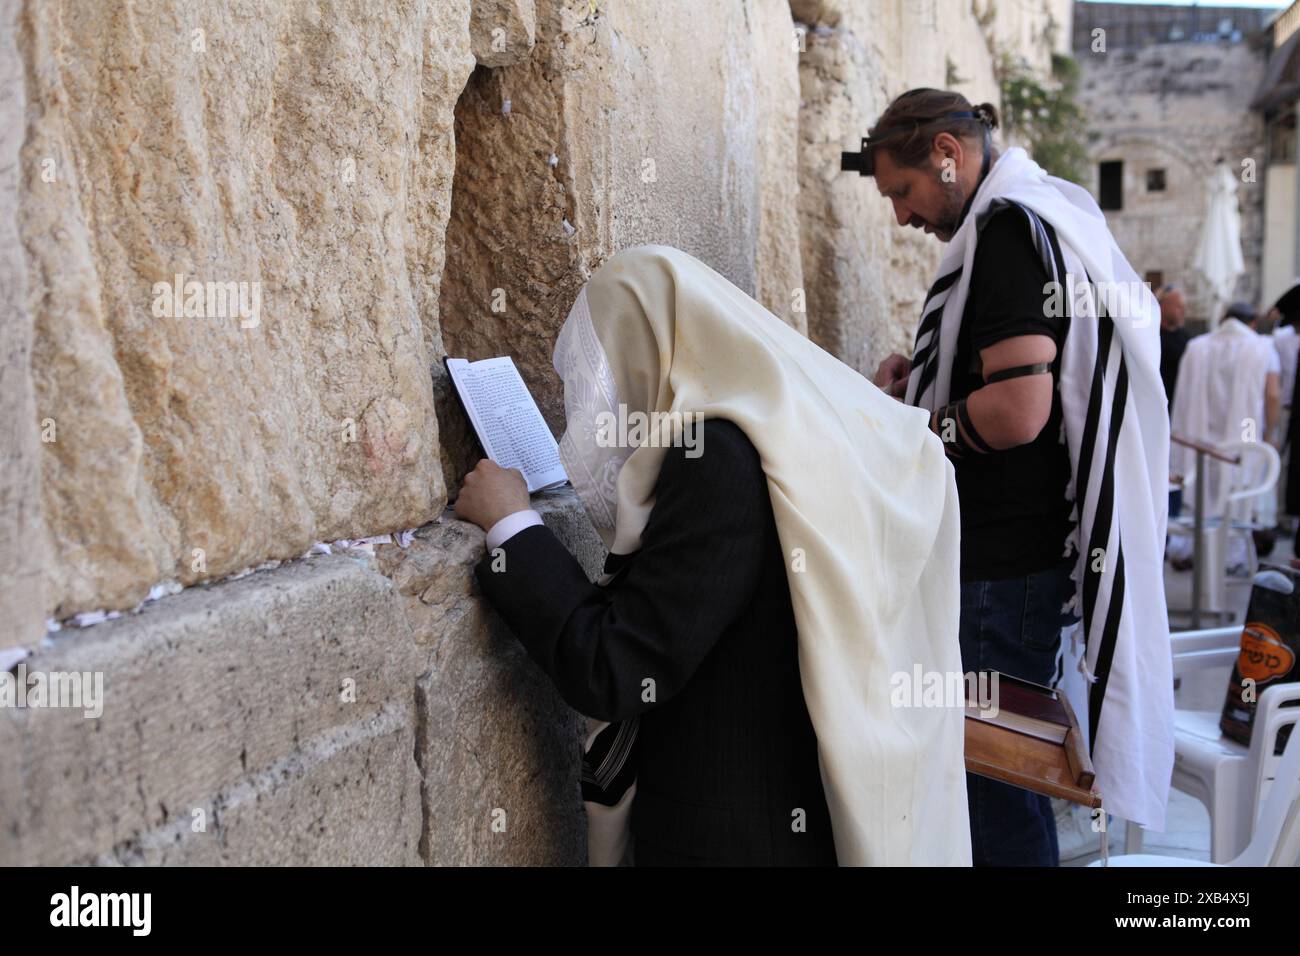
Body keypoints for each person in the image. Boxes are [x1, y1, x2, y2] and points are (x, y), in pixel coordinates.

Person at [454, 245, 970, 866]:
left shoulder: (714, 458)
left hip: (732, 836)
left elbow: (616, 666)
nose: (607, 402)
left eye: (608, 374)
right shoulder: (796, 431)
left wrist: (512, 523)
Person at [865, 88, 1174, 864]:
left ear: (947, 151)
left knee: (992, 793)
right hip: (1017, 570)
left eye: (901, 192)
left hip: (999, 577)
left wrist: (911, 425)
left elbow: (1018, 410)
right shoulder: (1023, 222)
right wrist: (929, 380)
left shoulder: (1005, 236)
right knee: (1001, 782)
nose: (901, 217)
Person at [1157, 285, 1189, 408]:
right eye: (1178, 306)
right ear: (1163, 306)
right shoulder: (1152, 337)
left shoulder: (1186, 338)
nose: (1183, 311)